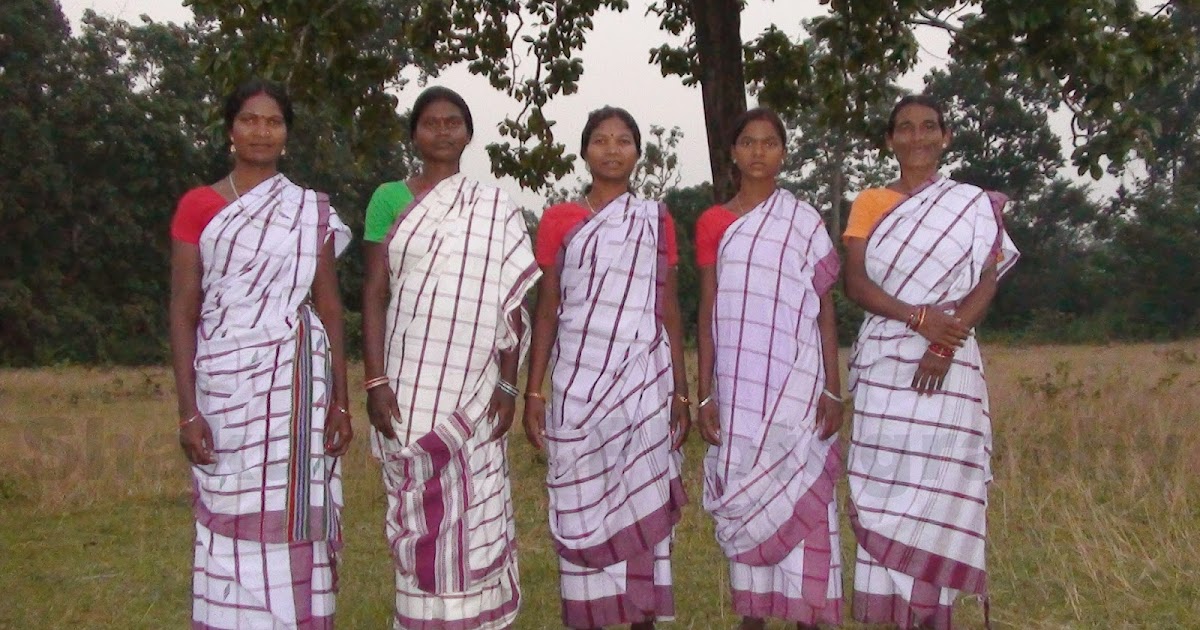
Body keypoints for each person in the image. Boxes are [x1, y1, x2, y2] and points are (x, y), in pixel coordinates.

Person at [170, 78, 352, 629]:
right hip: (224, 388)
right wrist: (187, 410)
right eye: (250, 119)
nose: (261, 131)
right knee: (228, 515)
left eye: (273, 122)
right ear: (230, 130)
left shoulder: (306, 210)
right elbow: (183, 309)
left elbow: (329, 305)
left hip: (295, 390)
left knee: (291, 512)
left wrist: (341, 401)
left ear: (286, 135)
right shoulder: (199, 206)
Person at [361, 86, 539, 630]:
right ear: (414, 132)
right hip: (410, 379)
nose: (442, 131)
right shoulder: (390, 198)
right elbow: (373, 293)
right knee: (417, 507)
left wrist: (509, 386)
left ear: (467, 132)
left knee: (477, 502)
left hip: (478, 385)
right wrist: (374, 381)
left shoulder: (494, 206)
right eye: (431, 122)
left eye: (453, 122)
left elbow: (513, 301)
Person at [843, 94, 1019, 629]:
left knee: (937, 486)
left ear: (945, 135)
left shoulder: (971, 205)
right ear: (890, 139)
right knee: (886, 481)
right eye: (904, 128)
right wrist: (918, 319)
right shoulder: (871, 202)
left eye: (927, 127)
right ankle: (888, 609)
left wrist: (944, 343)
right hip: (886, 363)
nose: (916, 137)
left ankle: (930, 614)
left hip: (952, 363)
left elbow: (986, 281)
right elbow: (855, 283)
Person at [522, 106, 690, 630]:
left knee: (640, 496)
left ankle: (640, 615)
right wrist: (534, 393)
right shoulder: (559, 219)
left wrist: (682, 391)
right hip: (578, 382)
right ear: (585, 150)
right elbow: (546, 307)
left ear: (639, 152)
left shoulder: (655, 219)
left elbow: (669, 308)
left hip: (643, 384)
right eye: (601, 140)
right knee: (581, 499)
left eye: (623, 141)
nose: (612, 150)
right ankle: (587, 615)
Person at [693, 108, 845, 630]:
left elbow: (823, 307)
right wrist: (705, 393)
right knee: (748, 492)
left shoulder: (804, 221)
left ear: (783, 152)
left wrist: (833, 388)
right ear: (732, 152)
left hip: (799, 386)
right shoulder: (716, 222)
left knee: (803, 492)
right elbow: (708, 309)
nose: (759, 152)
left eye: (770, 143)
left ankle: (807, 614)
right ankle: (753, 615)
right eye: (748, 142)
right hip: (739, 390)